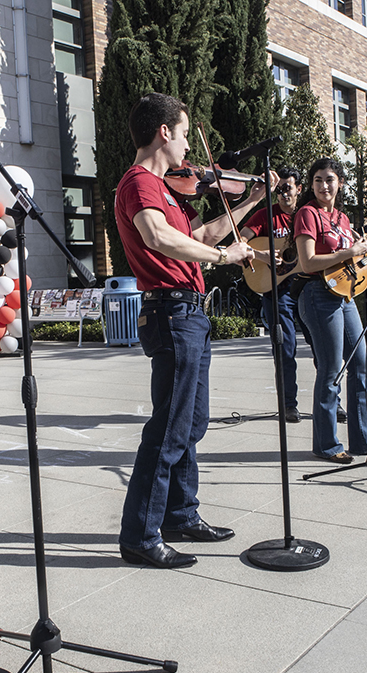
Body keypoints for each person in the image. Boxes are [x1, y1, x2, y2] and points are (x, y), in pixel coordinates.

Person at [115, 92, 264, 569]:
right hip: (172, 313)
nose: (187, 147)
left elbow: (197, 237)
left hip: (189, 313)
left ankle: (180, 514)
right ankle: (140, 535)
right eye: (182, 133)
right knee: (169, 428)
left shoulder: (165, 190)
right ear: (164, 132)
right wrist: (225, 259)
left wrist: (251, 204)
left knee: (191, 423)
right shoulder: (140, 182)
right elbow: (158, 237)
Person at [293, 158, 367, 464]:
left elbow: (352, 266)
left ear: (340, 183)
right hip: (317, 296)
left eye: (330, 179)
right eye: (318, 180)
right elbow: (308, 262)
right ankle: (326, 445)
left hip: (345, 295)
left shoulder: (342, 219)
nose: (324, 185)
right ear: (311, 185)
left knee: (360, 365)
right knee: (331, 371)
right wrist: (348, 251)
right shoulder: (306, 214)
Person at [242, 166, 304, 423]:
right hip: (277, 292)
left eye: (287, 189)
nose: (282, 195)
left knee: (323, 349)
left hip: (308, 288)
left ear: (299, 189)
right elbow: (241, 242)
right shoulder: (265, 215)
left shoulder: (308, 215)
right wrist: (262, 255)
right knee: (285, 349)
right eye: (279, 190)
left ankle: (333, 403)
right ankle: (288, 405)